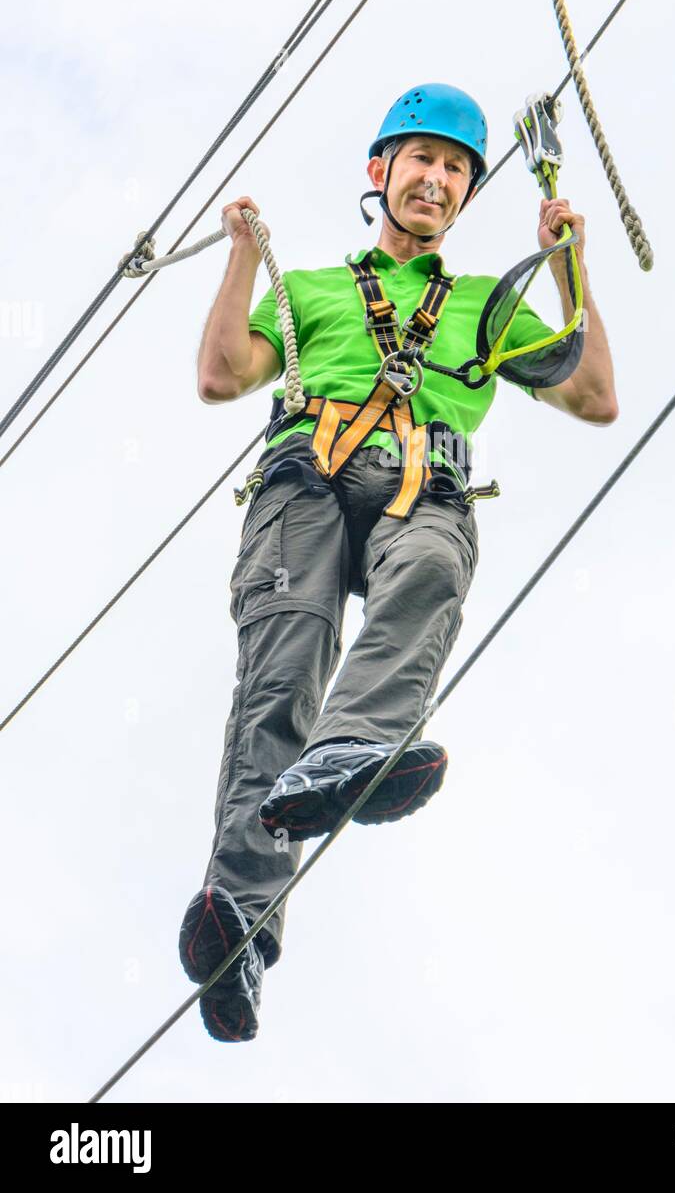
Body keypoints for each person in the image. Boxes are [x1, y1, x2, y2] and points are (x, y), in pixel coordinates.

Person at [178, 84, 618, 1042]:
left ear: (466, 193)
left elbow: (592, 396)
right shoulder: (315, 291)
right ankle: (241, 923)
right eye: (421, 159)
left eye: (457, 168)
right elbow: (220, 376)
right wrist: (246, 262)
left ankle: (353, 745)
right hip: (305, 479)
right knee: (278, 677)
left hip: (421, 481)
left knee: (428, 566)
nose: (439, 178)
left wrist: (570, 264)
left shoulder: (483, 307)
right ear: (380, 174)